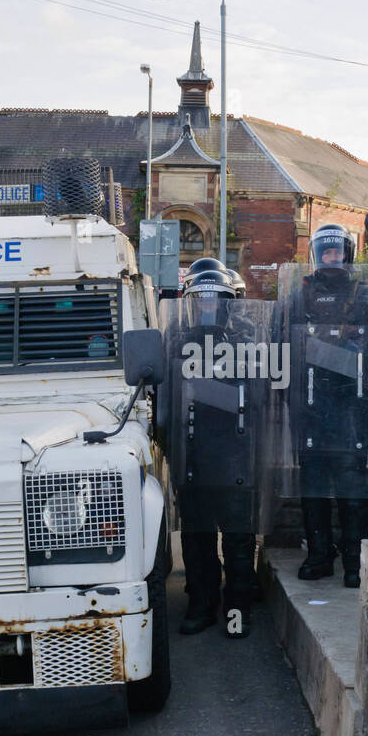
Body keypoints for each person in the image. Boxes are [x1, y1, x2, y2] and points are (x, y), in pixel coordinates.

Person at [160, 269, 266, 636]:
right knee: (196, 536)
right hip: (192, 453)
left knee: (238, 538)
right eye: (200, 299)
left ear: (228, 304)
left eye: (214, 299)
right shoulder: (175, 342)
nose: (206, 306)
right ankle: (201, 604)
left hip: (236, 452)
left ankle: (237, 610)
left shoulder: (247, 341)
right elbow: (165, 399)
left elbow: (261, 397)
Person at [279, 224, 368, 588]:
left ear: (348, 254)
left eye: (338, 252)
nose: (332, 258)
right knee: (313, 485)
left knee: (352, 485)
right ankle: (319, 554)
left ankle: (355, 560)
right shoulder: (299, 296)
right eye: (327, 252)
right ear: (316, 254)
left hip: (351, 401)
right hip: (310, 400)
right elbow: (284, 344)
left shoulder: (364, 294)